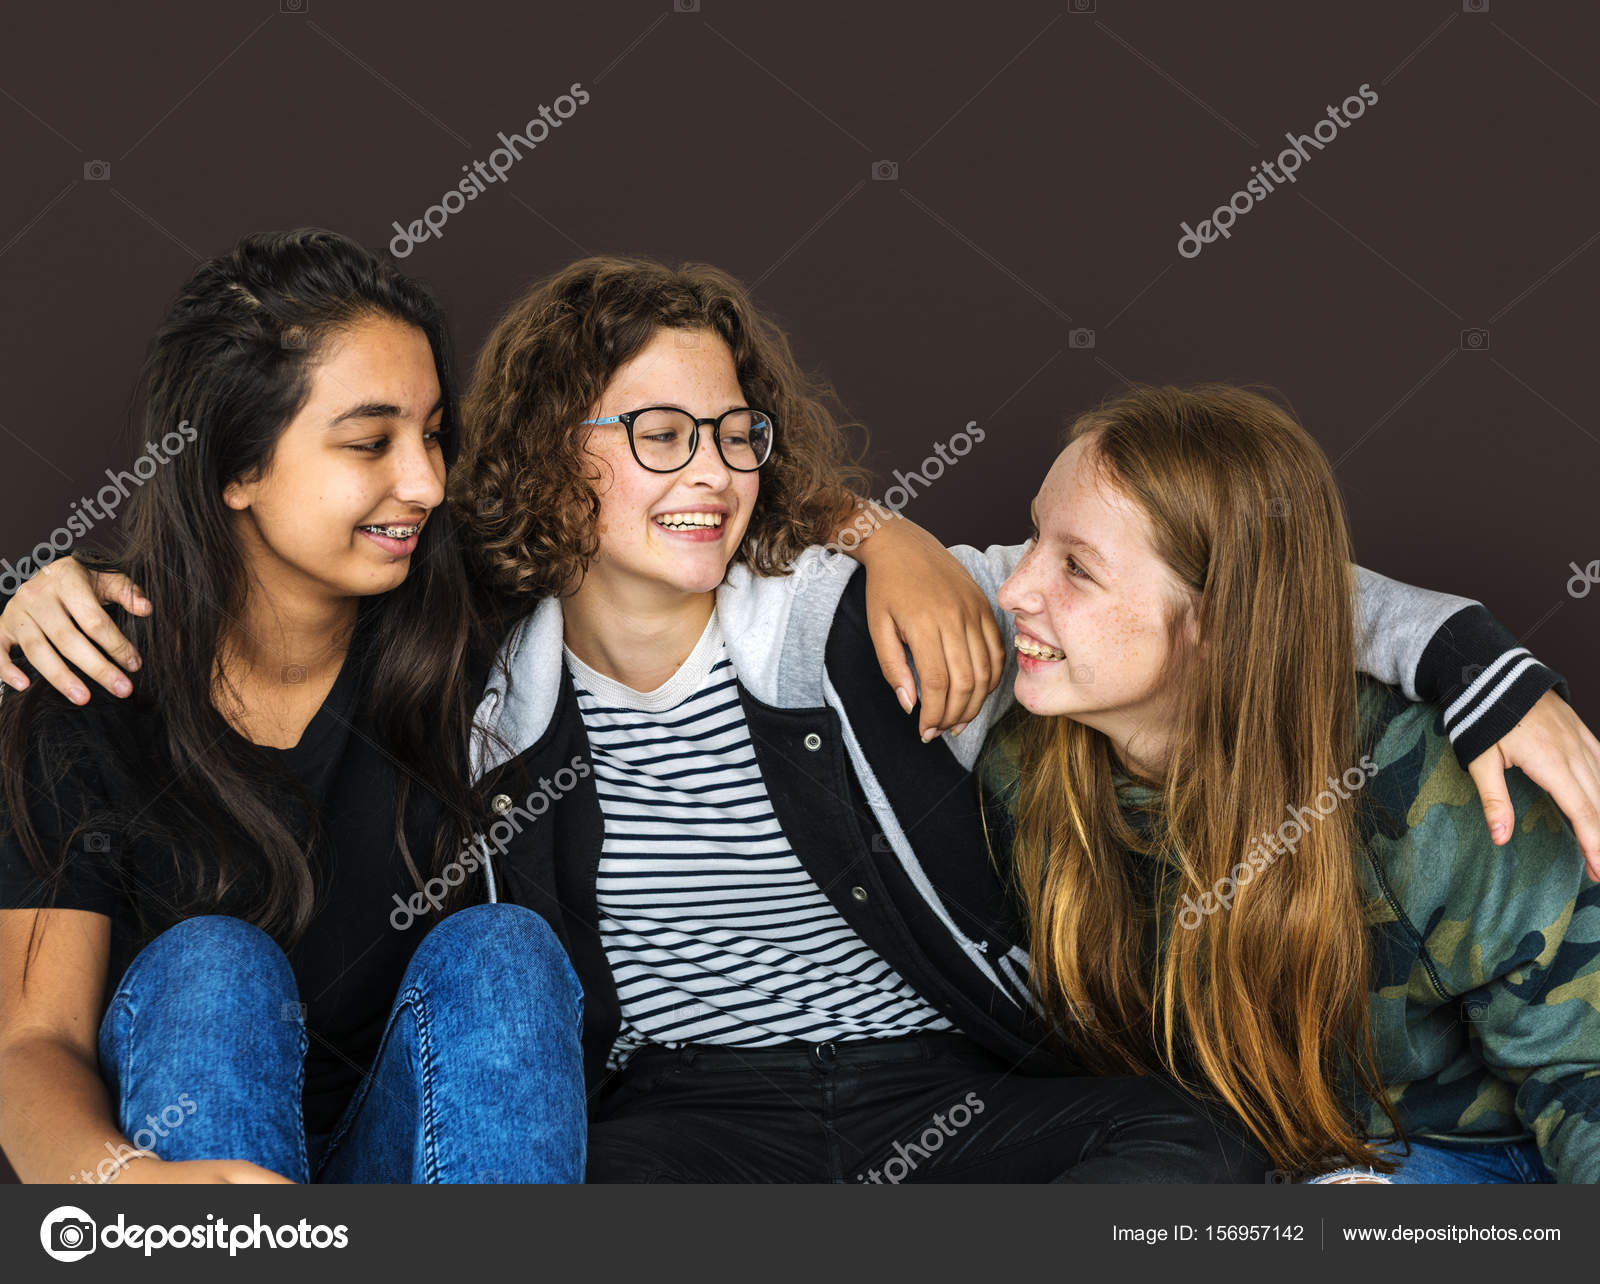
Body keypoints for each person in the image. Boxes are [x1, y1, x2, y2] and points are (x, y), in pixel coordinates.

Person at [0, 230, 589, 1184]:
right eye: (370, 442)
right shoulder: (84, 675)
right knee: (212, 968)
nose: (427, 484)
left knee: (505, 953)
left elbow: (685, 507)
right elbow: (29, 1046)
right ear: (235, 466)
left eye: (434, 433)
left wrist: (884, 540)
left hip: (414, 1147)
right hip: (189, 1174)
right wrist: (128, 1184)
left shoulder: (476, 631)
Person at [975, 383, 1600, 1182]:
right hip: (1217, 1158)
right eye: (1033, 538)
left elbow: (1585, 1074)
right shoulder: (1016, 769)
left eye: (1076, 569)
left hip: (1463, 1152)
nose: (1013, 589)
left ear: (1220, 623)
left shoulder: (1429, 787)